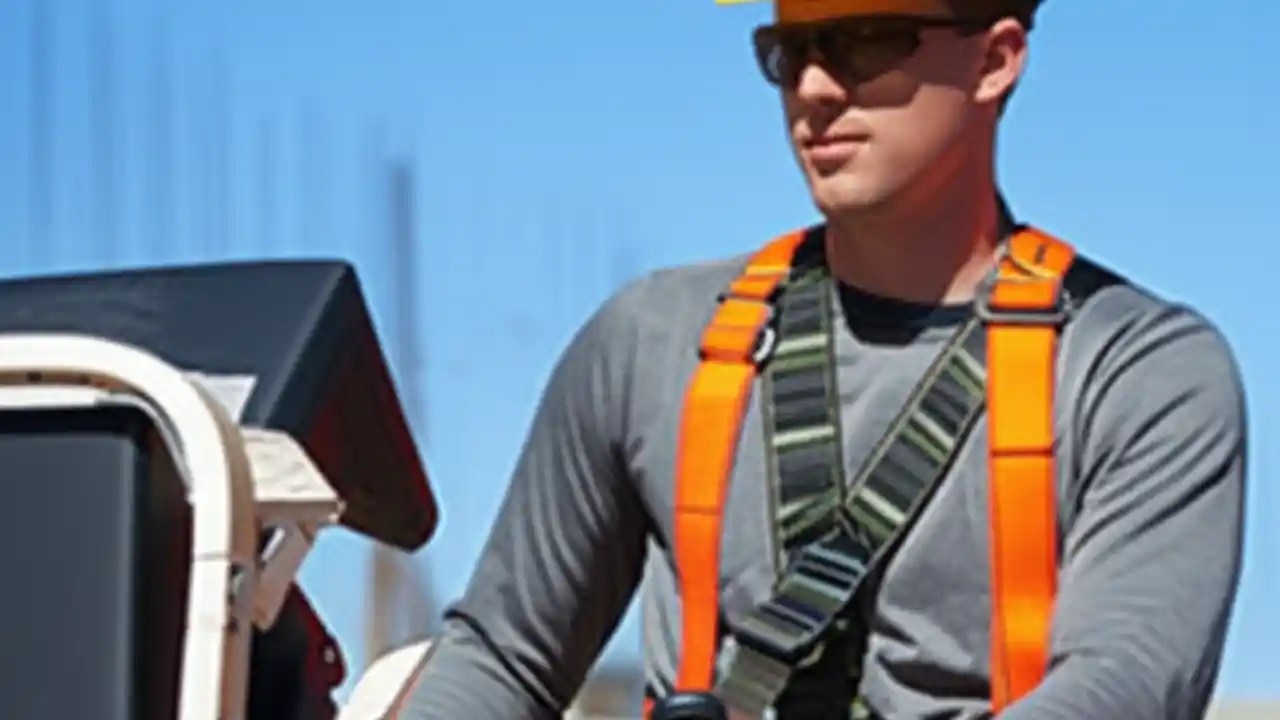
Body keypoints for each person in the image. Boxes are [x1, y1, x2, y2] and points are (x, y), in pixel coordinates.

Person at [405, 0, 1248, 717]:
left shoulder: (1139, 374)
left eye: (864, 42)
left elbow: (1121, 686)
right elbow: (505, 656)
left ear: (995, 61)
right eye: (789, 51)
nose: (814, 89)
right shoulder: (650, 342)